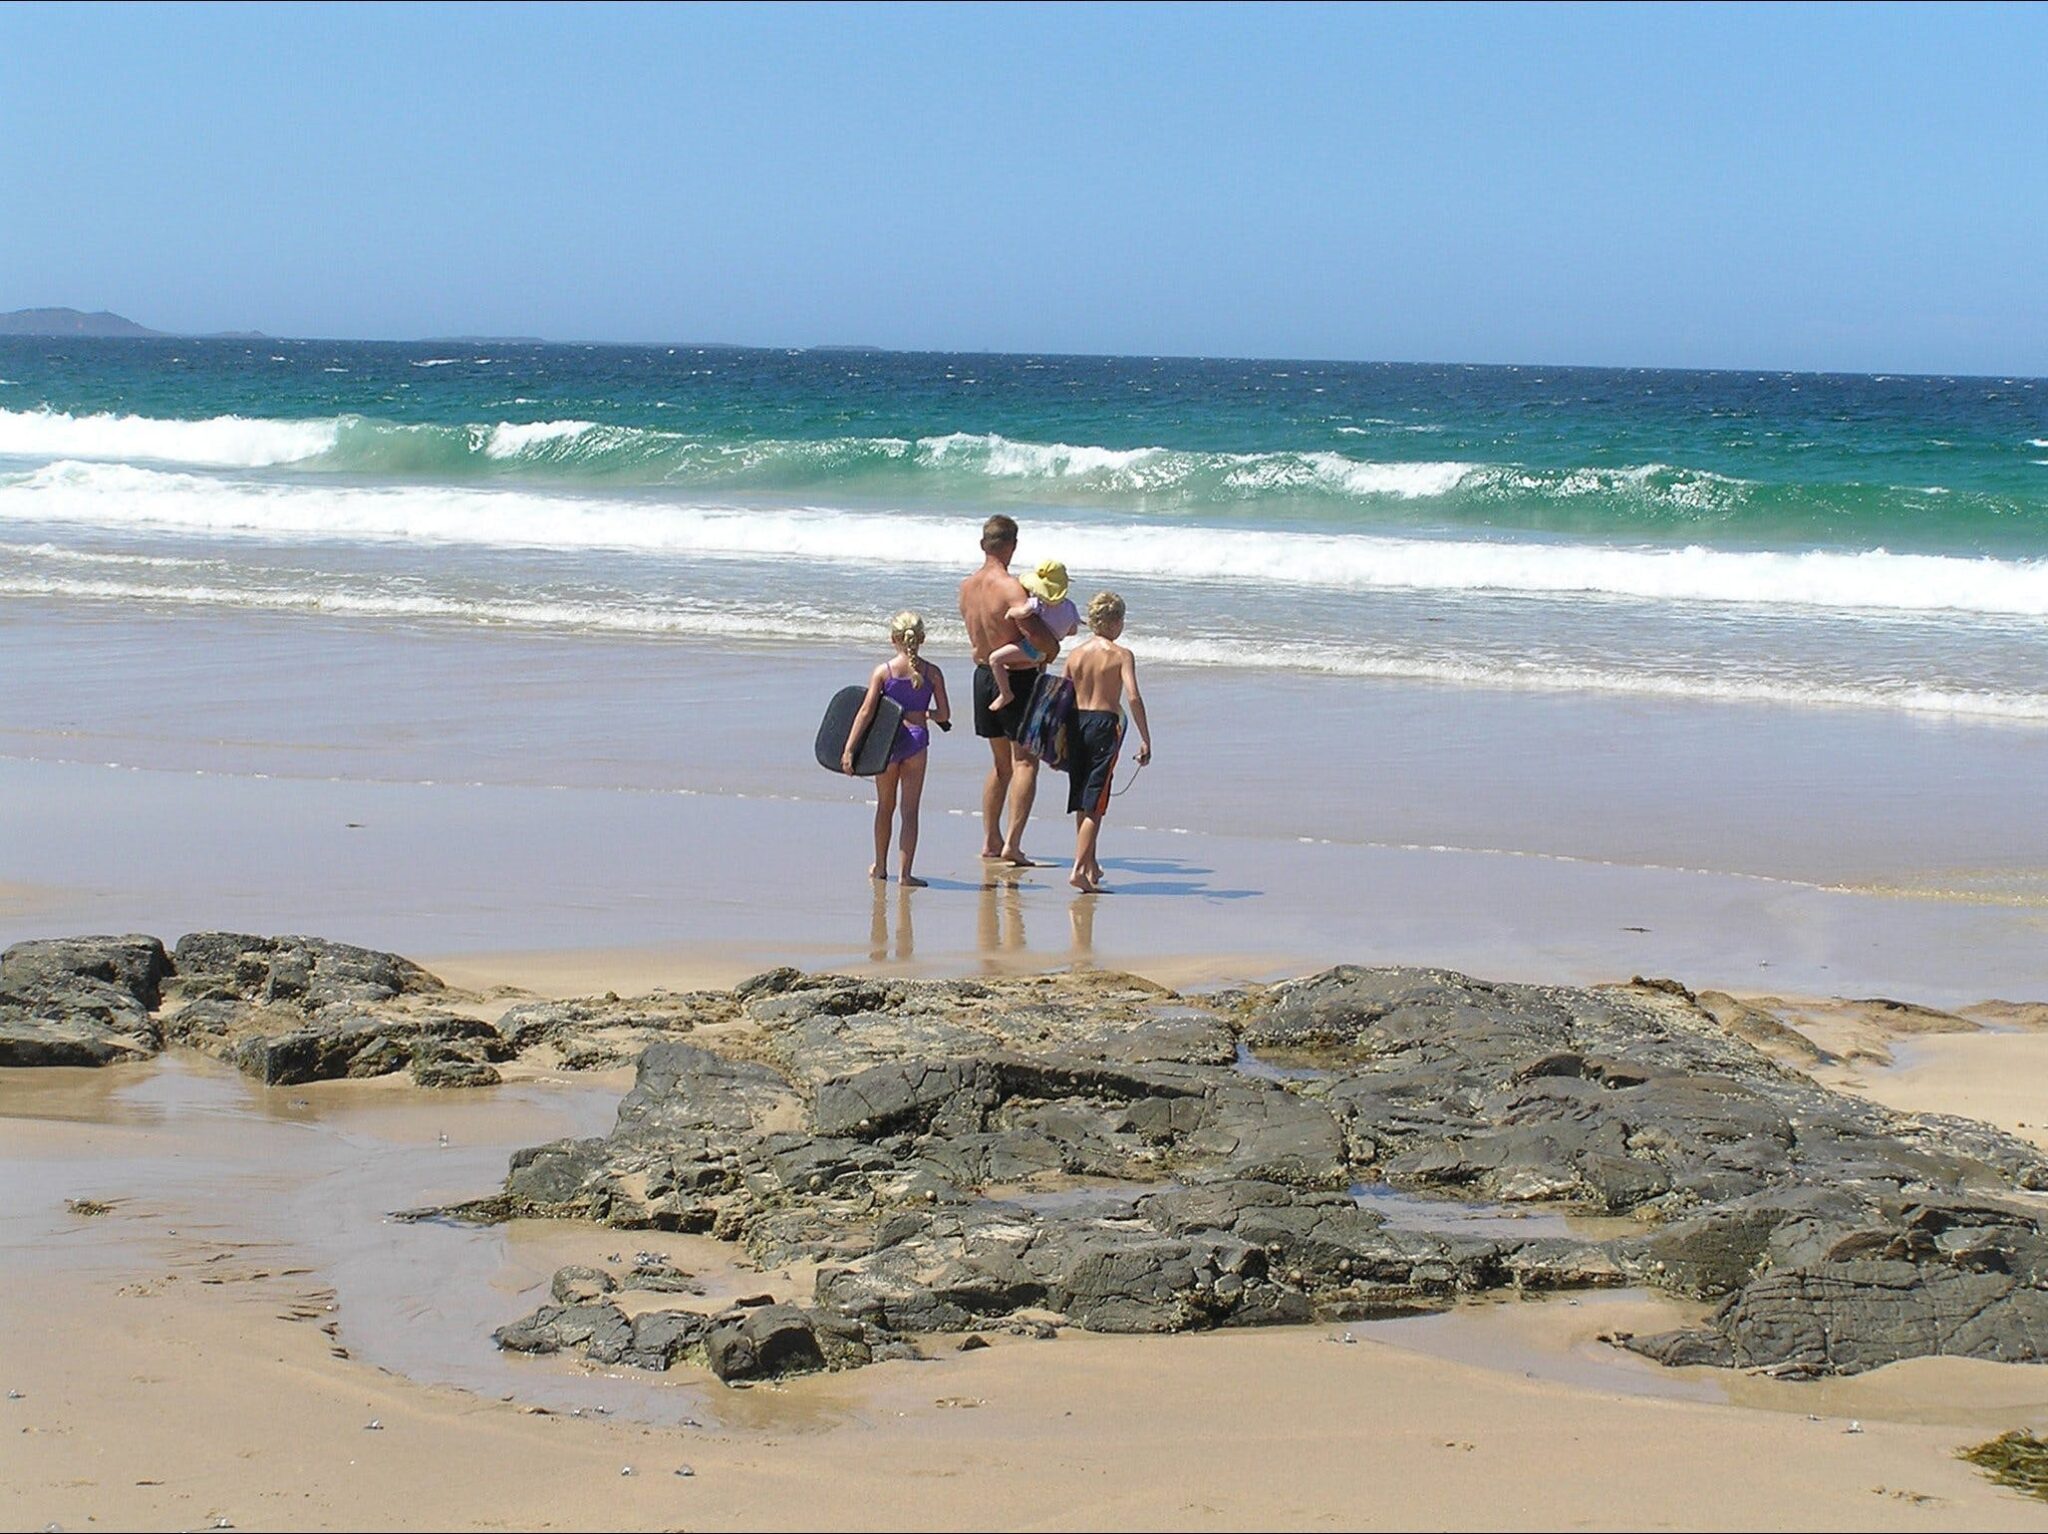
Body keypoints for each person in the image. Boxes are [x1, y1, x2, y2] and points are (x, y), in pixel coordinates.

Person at [958, 515, 1058, 865]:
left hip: (984, 676)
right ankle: (1012, 844)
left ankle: (991, 839)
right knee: (1025, 762)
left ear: (982, 544)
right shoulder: (1011, 588)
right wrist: (1053, 648)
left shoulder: (966, 586)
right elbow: (1037, 636)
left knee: (1001, 764)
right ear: (1012, 546)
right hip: (1018, 678)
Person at [841, 610, 950, 886]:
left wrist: (849, 748)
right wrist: (924, 714)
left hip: (887, 744)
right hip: (916, 742)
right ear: (922, 639)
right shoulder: (933, 673)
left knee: (884, 807)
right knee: (910, 811)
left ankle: (880, 866)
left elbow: (866, 712)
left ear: (893, 638)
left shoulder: (884, 672)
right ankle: (905, 874)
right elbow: (944, 714)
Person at [1061, 590, 1153, 894]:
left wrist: (1057, 738)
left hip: (1075, 723)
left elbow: (1061, 696)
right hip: (1103, 725)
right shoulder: (1121, 654)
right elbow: (1133, 696)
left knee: (1083, 799)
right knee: (1096, 803)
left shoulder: (1075, 654)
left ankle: (1089, 864)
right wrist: (1145, 738)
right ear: (1114, 622)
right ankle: (1078, 869)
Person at [984, 558, 1081, 711]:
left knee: (995, 659)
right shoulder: (1070, 606)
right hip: (1047, 651)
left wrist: (1010, 613)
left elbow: (1023, 612)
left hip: (1030, 648)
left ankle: (1005, 693)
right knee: (1040, 673)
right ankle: (1039, 689)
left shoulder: (1038, 603)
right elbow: (1073, 630)